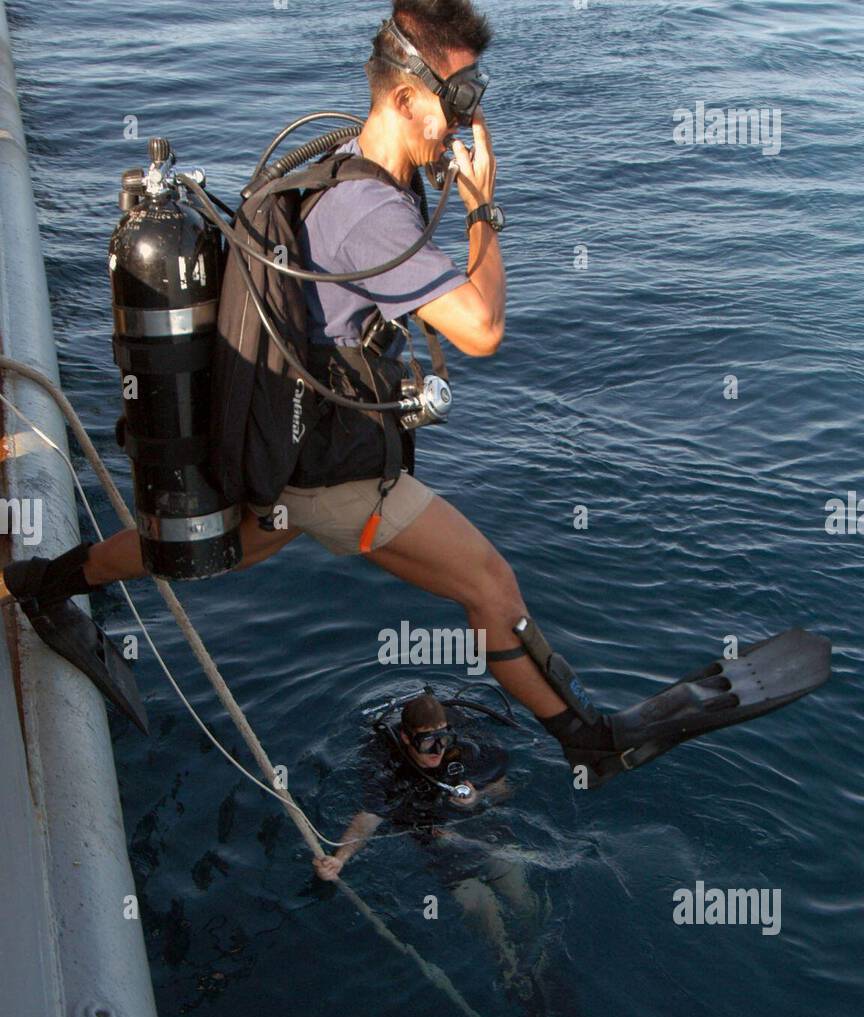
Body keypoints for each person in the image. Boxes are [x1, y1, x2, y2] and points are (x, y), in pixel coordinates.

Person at [0, 1, 831, 788]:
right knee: (489, 588)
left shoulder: (330, 166)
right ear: (406, 96)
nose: (469, 122)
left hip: (280, 446)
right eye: (460, 100)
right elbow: (480, 328)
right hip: (331, 476)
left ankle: (44, 581)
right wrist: (483, 209)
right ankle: (592, 744)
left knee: (216, 542)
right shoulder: (369, 212)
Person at [315, 691, 542, 975]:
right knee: (482, 910)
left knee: (522, 899)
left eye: (443, 740)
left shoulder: (466, 750)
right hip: (440, 846)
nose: (438, 751)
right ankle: (512, 972)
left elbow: (504, 787)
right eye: (427, 743)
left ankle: (540, 960)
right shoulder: (386, 766)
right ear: (407, 738)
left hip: (482, 832)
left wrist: (478, 797)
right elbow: (368, 818)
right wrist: (340, 858)